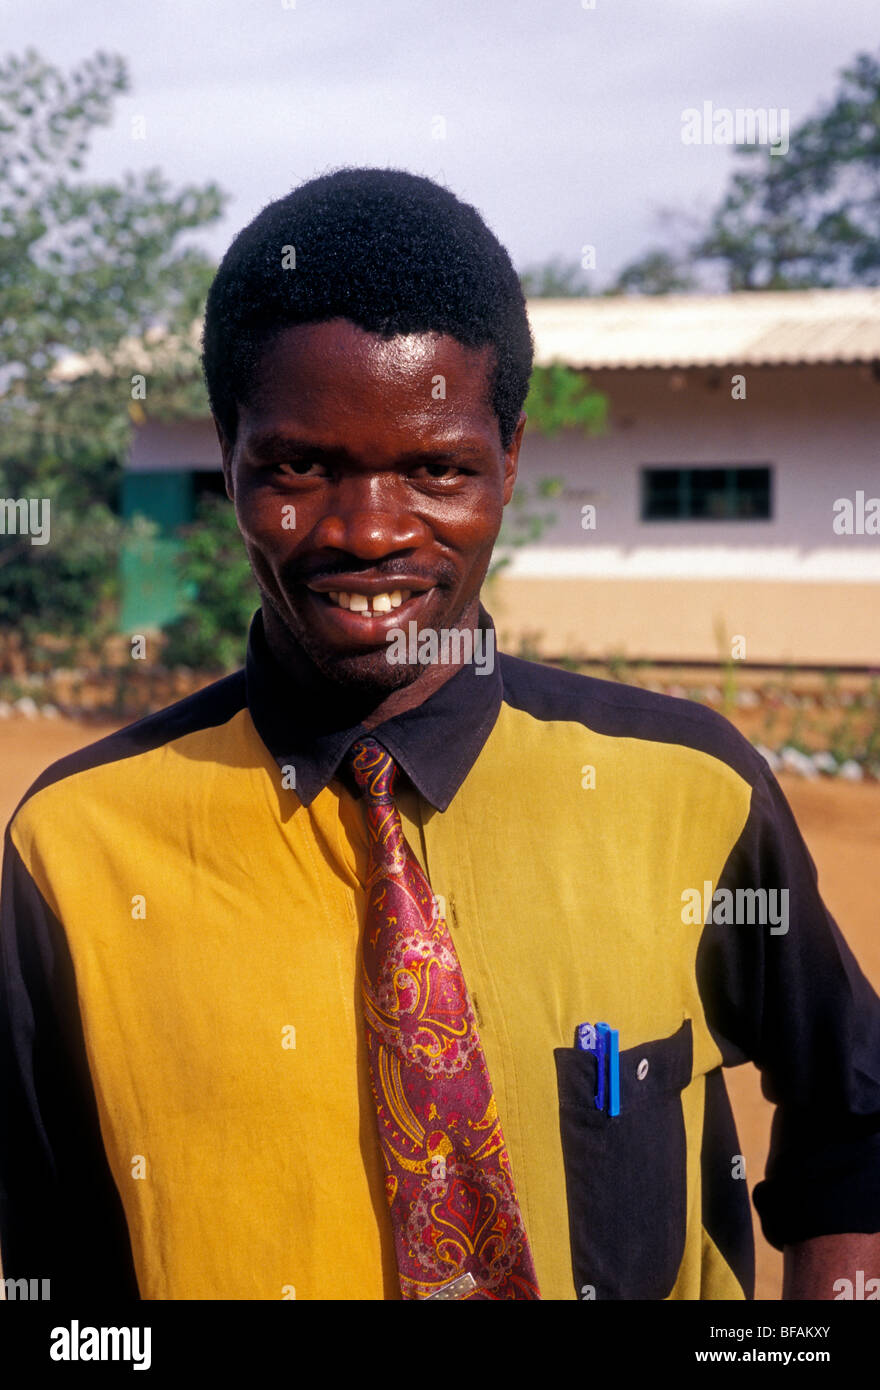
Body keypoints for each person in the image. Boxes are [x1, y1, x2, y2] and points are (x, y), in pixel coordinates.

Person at [1, 168, 879, 1302]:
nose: (368, 533)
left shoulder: (687, 790)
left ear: (508, 457)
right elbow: (56, 1267)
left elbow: (852, 1116)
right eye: (300, 466)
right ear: (228, 455)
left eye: (435, 469)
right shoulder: (74, 854)